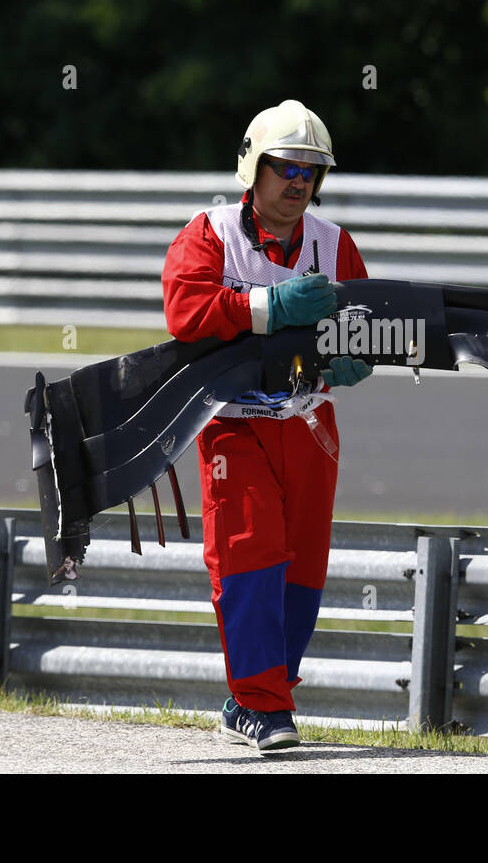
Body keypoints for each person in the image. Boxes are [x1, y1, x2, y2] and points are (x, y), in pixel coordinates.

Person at [160, 99, 371, 751]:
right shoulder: (210, 232)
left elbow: (361, 324)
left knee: (301, 569)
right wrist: (268, 305)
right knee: (249, 550)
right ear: (255, 166)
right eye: (288, 166)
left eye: (313, 169)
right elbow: (185, 311)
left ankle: (251, 697)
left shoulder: (335, 245)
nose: (300, 181)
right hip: (233, 421)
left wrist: (355, 357)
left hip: (310, 423)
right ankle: (262, 706)